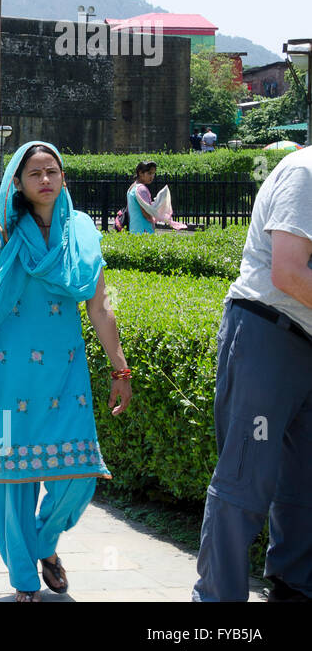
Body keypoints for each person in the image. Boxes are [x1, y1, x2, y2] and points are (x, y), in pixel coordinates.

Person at [0, 140, 132, 602]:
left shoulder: (82, 235)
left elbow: (100, 307)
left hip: (65, 372)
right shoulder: (0, 235)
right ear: (17, 183)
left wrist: (120, 368)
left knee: (78, 476)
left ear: (64, 178)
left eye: (52, 171)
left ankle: (44, 545)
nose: (45, 180)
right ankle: (24, 580)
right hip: (6, 371)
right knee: (12, 481)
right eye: (34, 173)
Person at [193, 146, 312, 602]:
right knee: (245, 477)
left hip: (303, 340)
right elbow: (288, 270)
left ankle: (293, 587)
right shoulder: (305, 173)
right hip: (269, 334)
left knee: (304, 479)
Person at [126, 160, 188, 234]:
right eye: (149, 173)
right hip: (144, 229)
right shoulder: (141, 189)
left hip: (134, 228)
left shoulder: (132, 187)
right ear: (140, 173)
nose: (152, 176)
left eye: (153, 173)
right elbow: (146, 213)